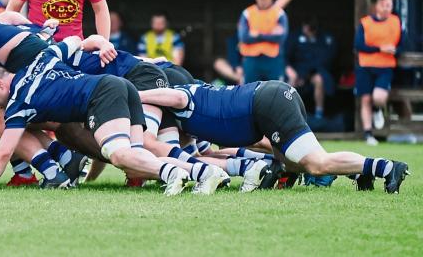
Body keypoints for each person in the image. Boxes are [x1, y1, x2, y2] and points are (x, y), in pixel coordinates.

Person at [0, 38, 191, 195]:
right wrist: (103, 43)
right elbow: (75, 39)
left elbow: (4, 151)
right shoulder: (42, 57)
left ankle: (172, 173)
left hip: (104, 93)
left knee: (119, 156)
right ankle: (203, 172)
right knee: (136, 158)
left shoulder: (19, 101)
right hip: (123, 86)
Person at [139, 80, 410, 194]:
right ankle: (359, 170)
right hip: (268, 103)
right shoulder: (197, 115)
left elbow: (175, 96)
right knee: (295, 163)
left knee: (316, 163)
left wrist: (135, 96)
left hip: (267, 103)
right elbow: (208, 153)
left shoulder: (181, 96)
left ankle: (386, 168)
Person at [238, 0, 309, 83]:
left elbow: (280, 37)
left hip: (273, 59)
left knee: (275, 94)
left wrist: (257, 35)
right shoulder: (248, 13)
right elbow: (244, 37)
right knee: (249, 94)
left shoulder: (277, 12)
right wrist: (269, 34)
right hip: (251, 60)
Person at [355, 0, 404, 146]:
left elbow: (403, 43)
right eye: (384, 5)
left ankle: (378, 109)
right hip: (365, 66)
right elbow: (358, 45)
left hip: (385, 66)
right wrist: (380, 48)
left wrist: (396, 50)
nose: (386, 8)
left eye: (389, 5)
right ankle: (368, 134)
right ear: (377, 6)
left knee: (379, 97)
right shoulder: (365, 23)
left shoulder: (396, 22)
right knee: (365, 99)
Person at [285, 18, 336, 119]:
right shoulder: (294, 37)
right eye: (306, 27)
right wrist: (291, 71)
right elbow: (285, 57)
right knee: (289, 83)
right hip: (297, 72)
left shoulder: (325, 39)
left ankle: (319, 114)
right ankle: (287, 113)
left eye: (311, 29)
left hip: (313, 73)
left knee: (319, 79)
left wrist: (306, 76)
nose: (307, 30)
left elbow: (324, 61)